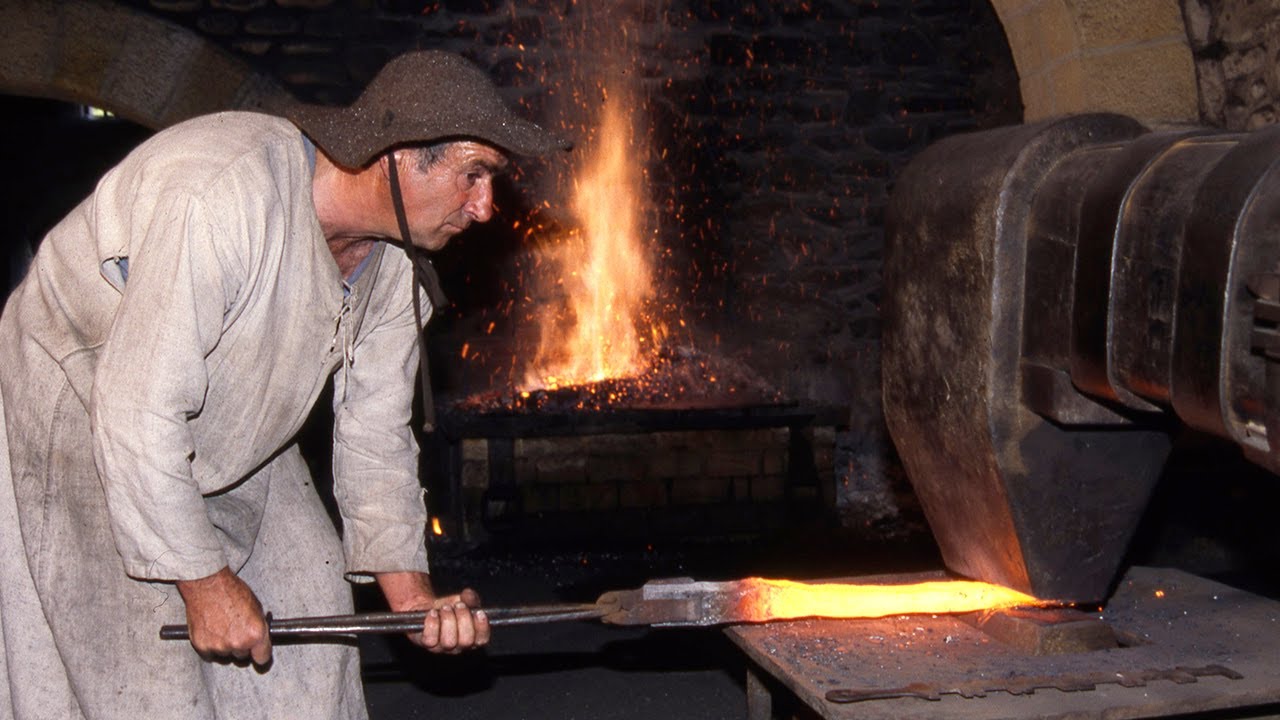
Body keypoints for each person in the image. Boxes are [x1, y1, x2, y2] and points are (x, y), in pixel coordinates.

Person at [0, 50, 568, 719]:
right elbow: (137, 407)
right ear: (398, 155)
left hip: (232, 416)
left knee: (314, 612)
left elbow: (375, 436)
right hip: (89, 404)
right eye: (474, 176)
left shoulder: (392, 266)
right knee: (145, 679)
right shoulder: (221, 197)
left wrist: (413, 602)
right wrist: (204, 580)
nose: (485, 207)